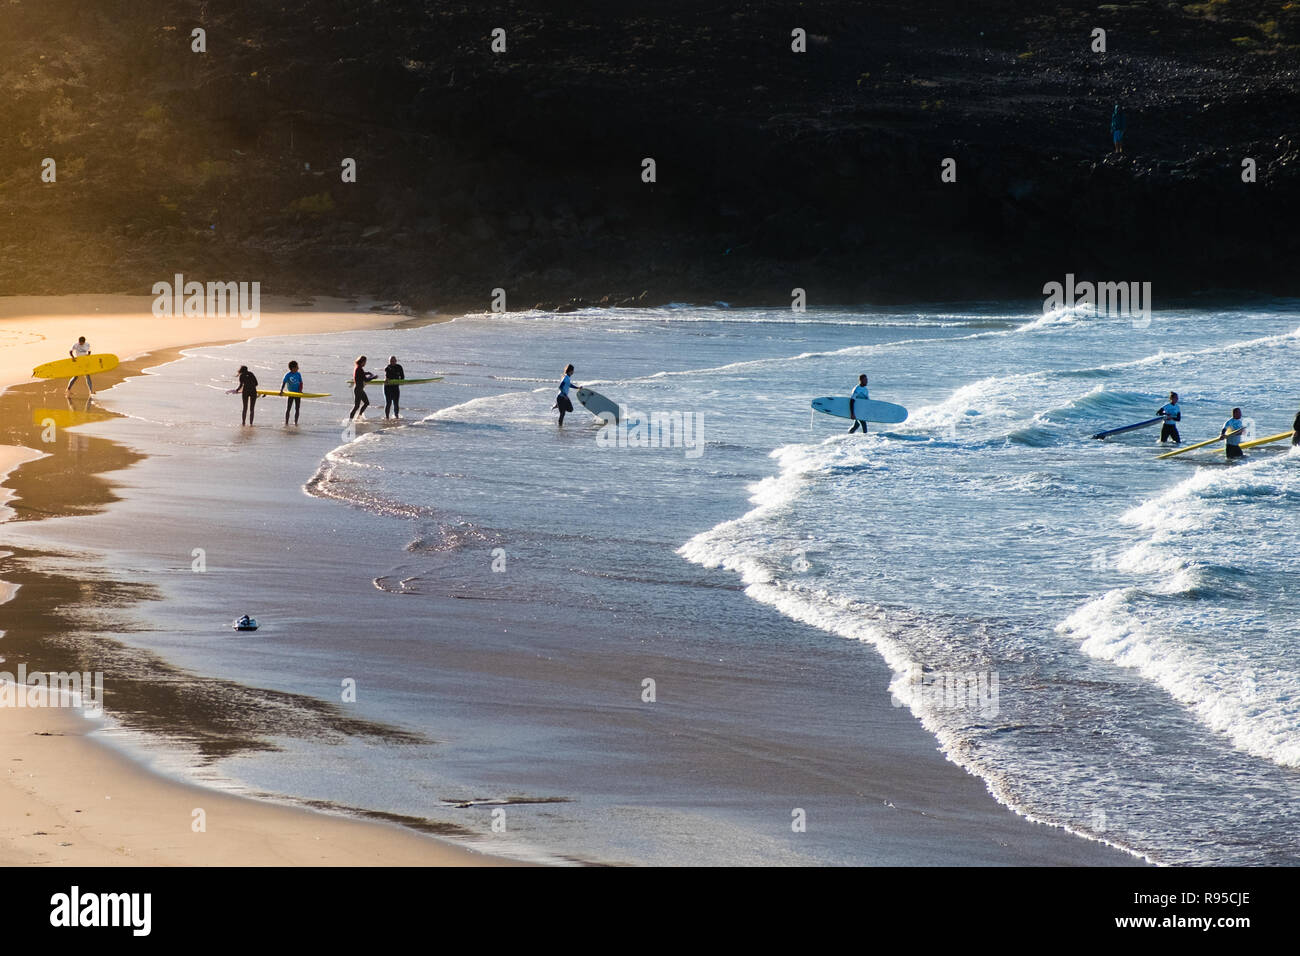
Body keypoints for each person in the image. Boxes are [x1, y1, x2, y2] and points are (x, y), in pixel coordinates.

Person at [350, 356, 375, 420]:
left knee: (359, 405)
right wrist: (373, 377)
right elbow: (366, 380)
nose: (365, 363)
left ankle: (355, 417)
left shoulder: (358, 367)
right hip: (359, 389)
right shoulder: (359, 368)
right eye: (365, 362)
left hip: (358, 389)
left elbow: (362, 374)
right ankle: (355, 418)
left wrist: (368, 373)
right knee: (363, 404)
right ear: (362, 361)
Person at [280, 360, 304, 426]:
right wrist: (281, 390)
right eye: (297, 367)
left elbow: (301, 383)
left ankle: (295, 422)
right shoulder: (288, 375)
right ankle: (286, 422)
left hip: (298, 393)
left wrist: (300, 390)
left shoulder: (298, 374)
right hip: (290, 393)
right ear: (293, 368)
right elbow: (284, 382)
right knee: (288, 408)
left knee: (297, 408)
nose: (298, 368)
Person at [383, 355, 405, 419]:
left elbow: (402, 377)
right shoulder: (387, 367)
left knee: (396, 403)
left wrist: (401, 381)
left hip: (395, 387)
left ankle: (396, 416)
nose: (392, 362)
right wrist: (386, 379)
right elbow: (387, 376)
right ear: (389, 361)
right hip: (388, 387)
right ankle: (387, 417)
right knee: (388, 403)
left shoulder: (399, 367)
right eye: (390, 361)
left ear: (396, 361)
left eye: (393, 361)